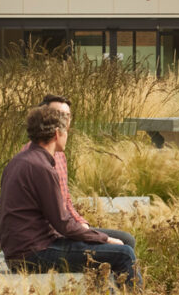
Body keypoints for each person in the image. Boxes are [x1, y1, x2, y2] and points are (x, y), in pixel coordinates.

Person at [0, 104, 141, 286]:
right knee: (124, 253)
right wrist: (105, 239)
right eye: (66, 132)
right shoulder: (42, 168)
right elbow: (63, 224)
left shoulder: (17, 162)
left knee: (125, 241)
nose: (67, 136)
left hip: (25, 250)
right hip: (35, 254)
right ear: (57, 134)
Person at [35, 94, 138, 257]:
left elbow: (65, 197)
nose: (64, 121)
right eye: (58, 115)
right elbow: (58, 219)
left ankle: (105, 282)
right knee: (122, 251)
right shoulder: (34, 158)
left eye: (67, 116)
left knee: (127, 240)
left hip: (66, 228)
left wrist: (81, 223)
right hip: (50, 235)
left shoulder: (60, 153)